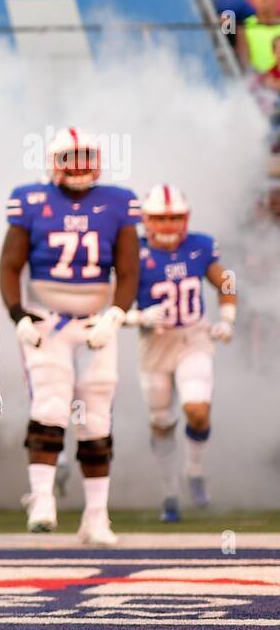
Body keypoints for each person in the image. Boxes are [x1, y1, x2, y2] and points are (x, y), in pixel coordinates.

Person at [0, 127, 140, 544]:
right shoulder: (32, 199)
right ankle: (42, 499)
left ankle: (96, 517)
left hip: (96, 319)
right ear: (52, 163)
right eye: (70, 158)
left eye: (85, 157)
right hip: (47, 318)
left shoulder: (118, 201)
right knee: (51, 406)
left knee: (96, 414)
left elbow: (129, 270)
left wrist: (116, 314)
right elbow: (9, 265)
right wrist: (17, 314)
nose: (78, 167)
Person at [127, 186, 237, 521]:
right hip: (155, 345)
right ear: (147, 219)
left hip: (193, 339)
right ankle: (169, 491)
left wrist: (227, 319)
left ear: (186, 218)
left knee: (197, 410)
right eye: (161, 218)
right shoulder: (134, 253)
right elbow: (114, 307)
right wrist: (138, 317)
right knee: (161, 421)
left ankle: (195, 471)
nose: (169, 224)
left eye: (175, 217)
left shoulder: (201, 246)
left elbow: (227, 282)